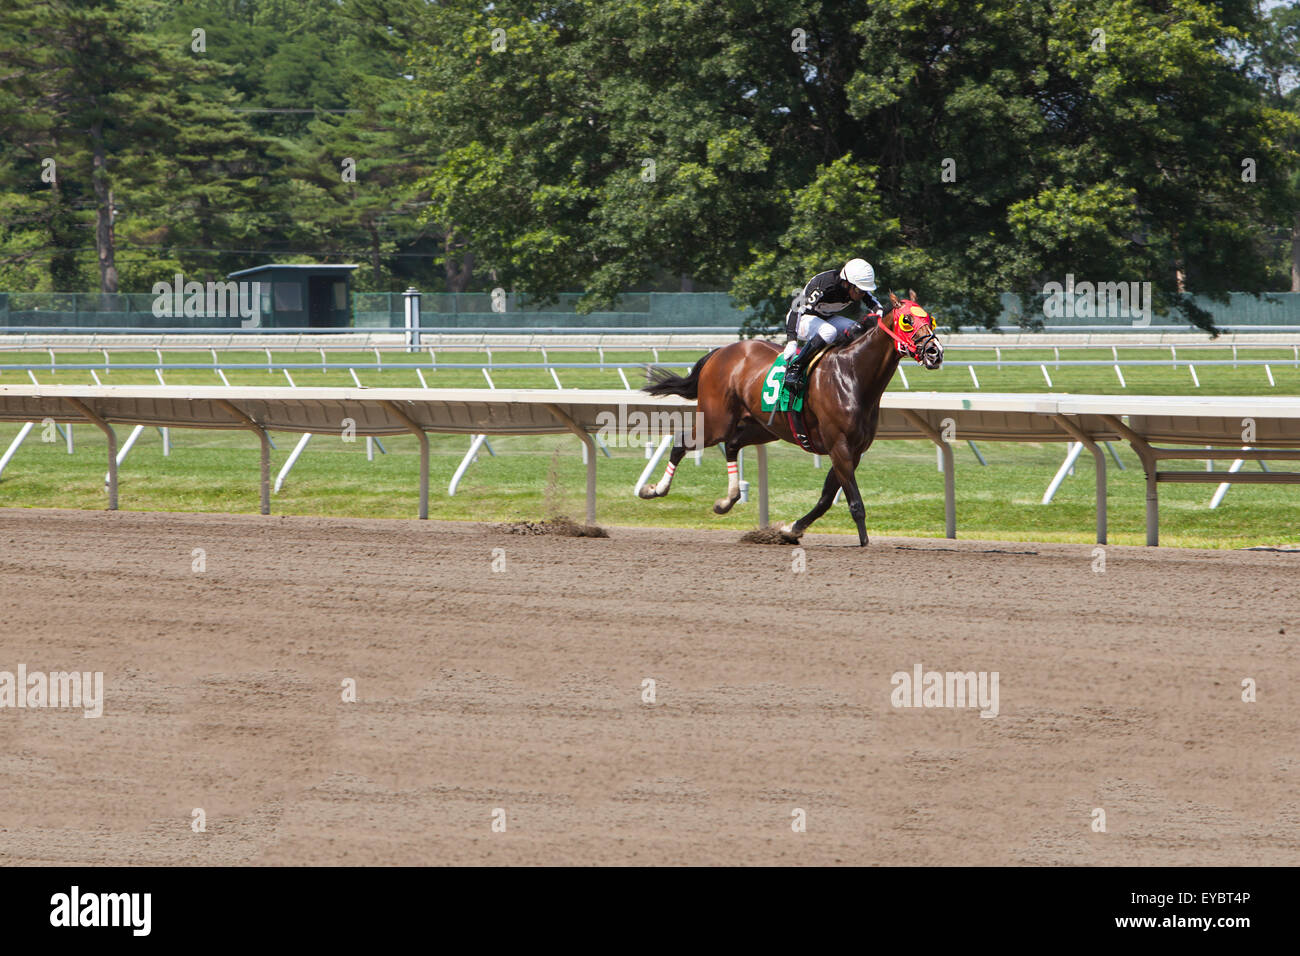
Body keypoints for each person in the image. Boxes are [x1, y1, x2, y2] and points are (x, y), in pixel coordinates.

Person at [780, 258, 883, 393]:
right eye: (860, 290)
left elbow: (876, 307)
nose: (862, 295)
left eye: (864, 291)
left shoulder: (856, 287)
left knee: (857, 329)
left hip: (825, 318)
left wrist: (881, 317)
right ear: (846, 283)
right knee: (829, 331)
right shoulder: (824, 285)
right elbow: (796, 310)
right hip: (801, 320)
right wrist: (791, 341)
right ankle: (795, 369)